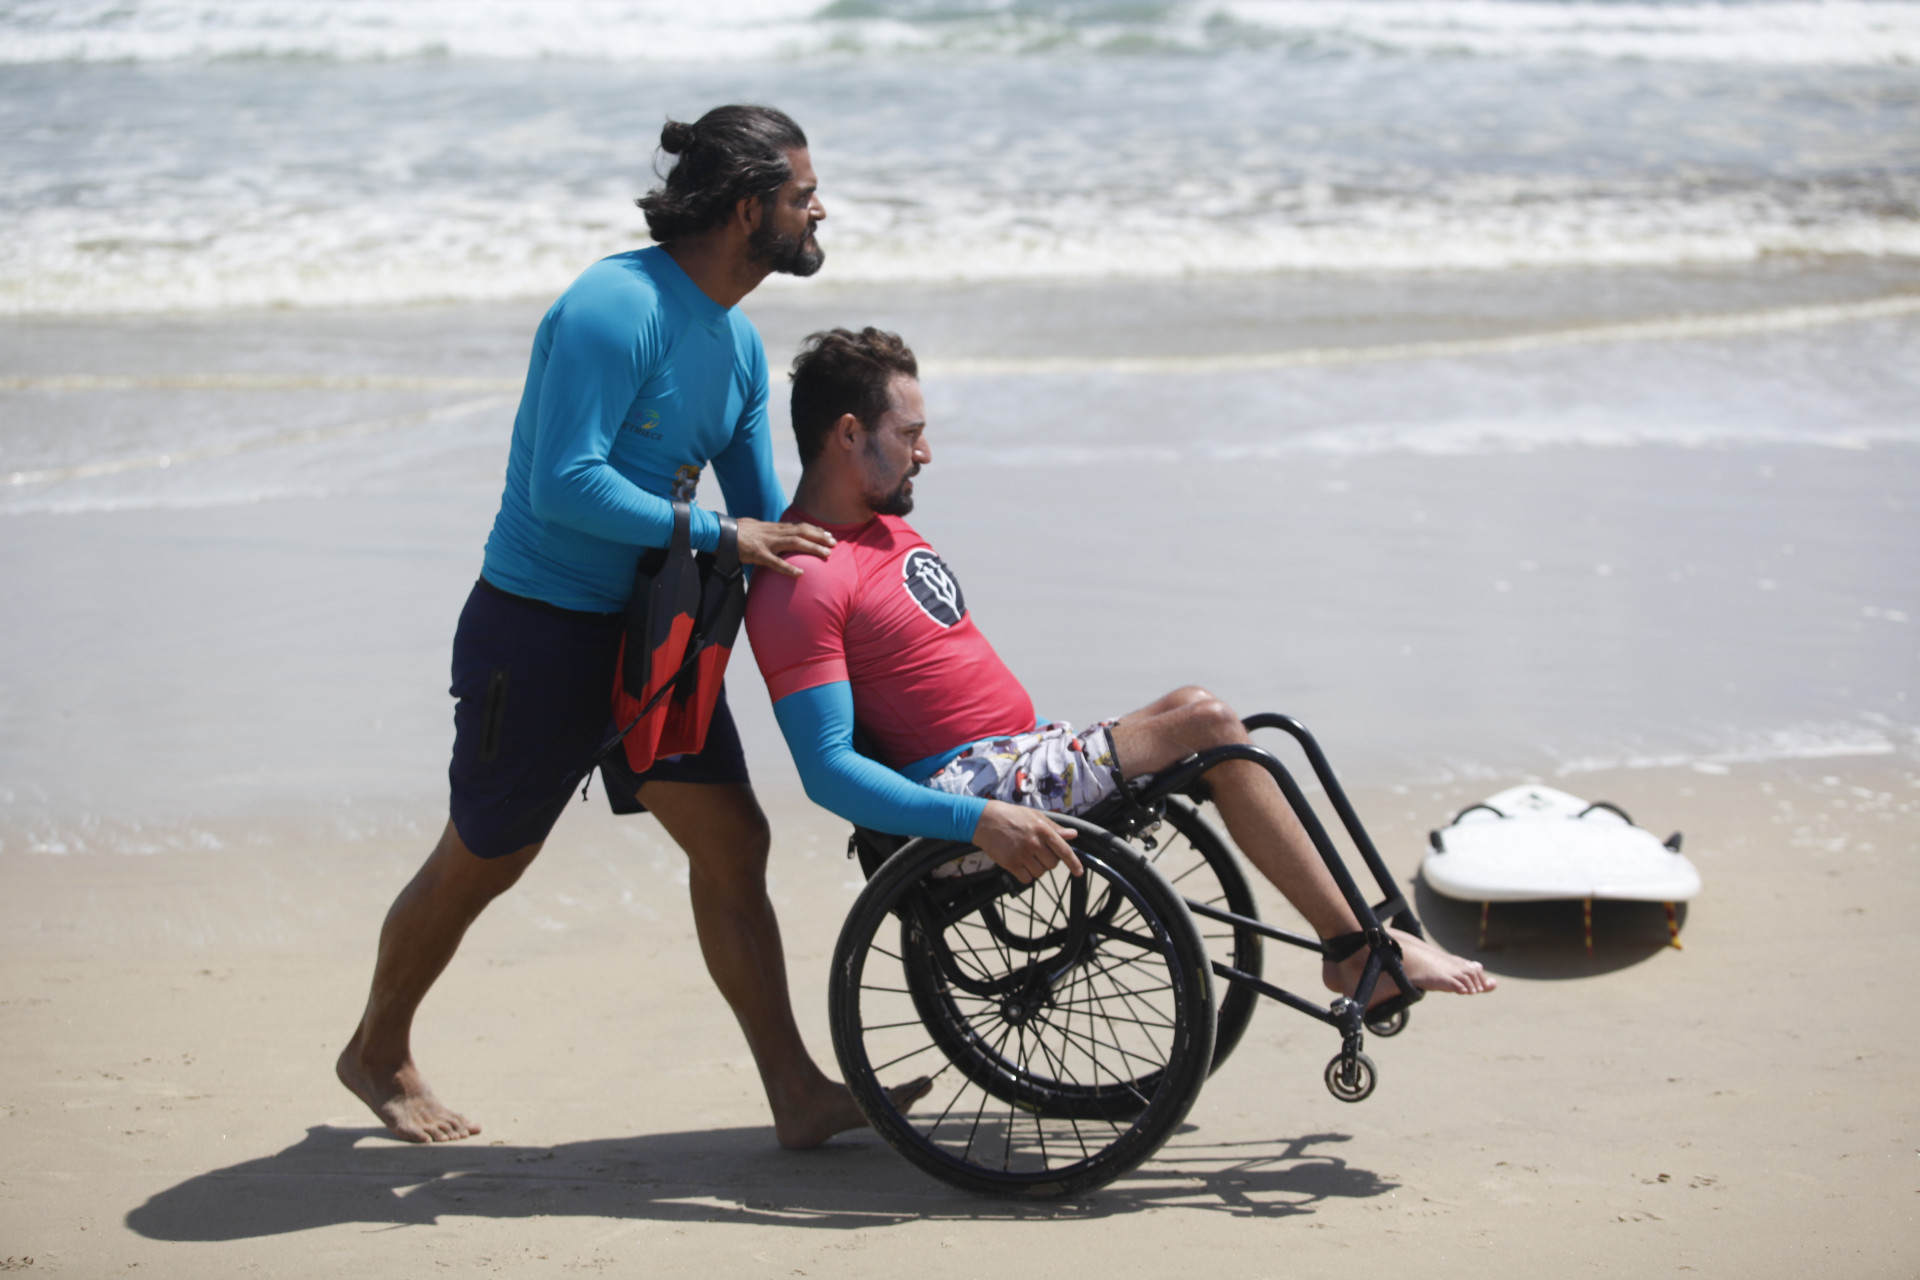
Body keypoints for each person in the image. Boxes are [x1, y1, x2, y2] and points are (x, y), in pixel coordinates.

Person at [338, 108, 922, 1150]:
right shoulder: (618, 306)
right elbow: (564, 484)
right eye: (802, 193)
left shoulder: (738, 345)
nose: (818, 207)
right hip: (542, 628)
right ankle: (376, 1050)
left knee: (733, 838)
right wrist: (721, 533)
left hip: (658, 636)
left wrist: (872, 533)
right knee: (487, 856)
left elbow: (772, 526)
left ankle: (794, 1090)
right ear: (750, 207)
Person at [745, 327, 1497, 1007]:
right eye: (910, 434)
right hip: (970, 794)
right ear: (849, 434)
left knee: (1202, 708)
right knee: (1207, 724)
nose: (927, 453)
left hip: (1018, 755)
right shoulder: (803, 581)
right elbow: (828, 772)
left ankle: (1361, 933)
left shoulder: (882, 529)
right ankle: (1355, 948)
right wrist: (978, 820)